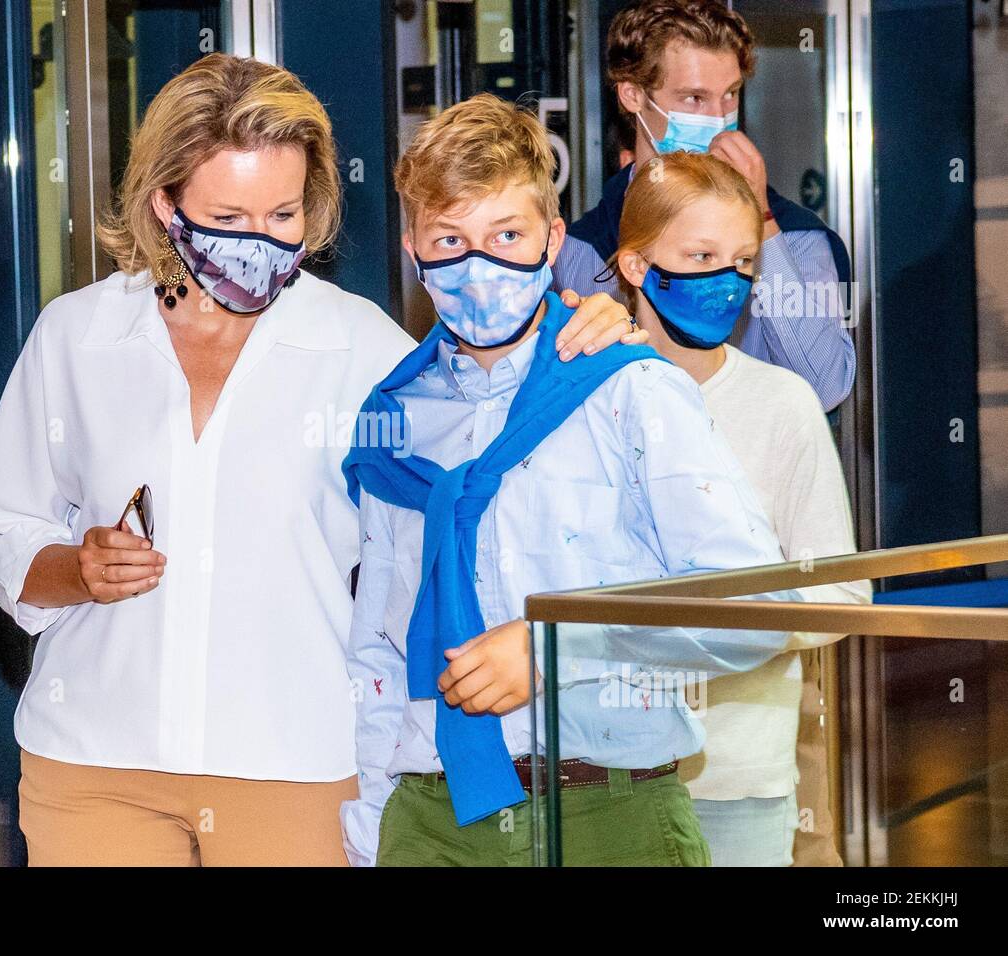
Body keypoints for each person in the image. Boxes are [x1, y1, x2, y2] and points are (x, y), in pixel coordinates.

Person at [0, 54, 643, 866]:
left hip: (298, 769)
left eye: (283, 215)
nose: (260, 242)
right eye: (230, 215)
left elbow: (493, 488)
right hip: (95, 762)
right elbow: (2, 528)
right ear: (164, 203)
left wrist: (591, 332)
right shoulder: (78, 337)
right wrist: (77, 568)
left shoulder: (365, 351)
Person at [342, 93, 799, 868]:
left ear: (553, 241)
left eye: (506, 235)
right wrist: (374, 828)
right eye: (449, 238)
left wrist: (560, 645)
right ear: (413, 248)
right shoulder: (392, 419)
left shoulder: (627, 388)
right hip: (429, 818)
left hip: (606, 813)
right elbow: (378, 648)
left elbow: (756, 607)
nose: (476, 264)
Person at [608, 151, 871, 865]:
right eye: (700, 255)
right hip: (600, 777)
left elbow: (844, 592)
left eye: (744, 261)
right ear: (636, 266)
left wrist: (719, 626)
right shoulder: (586, 392)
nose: (727, 281)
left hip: (738, 779)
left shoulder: (782, 403)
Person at [554, 0, 856, 413]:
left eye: (730, 95)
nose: (718, 118)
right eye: (694, 98)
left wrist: (762, 220)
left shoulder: (799, 237)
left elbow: (825, 387)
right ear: (633, 95)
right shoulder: (579, 248)